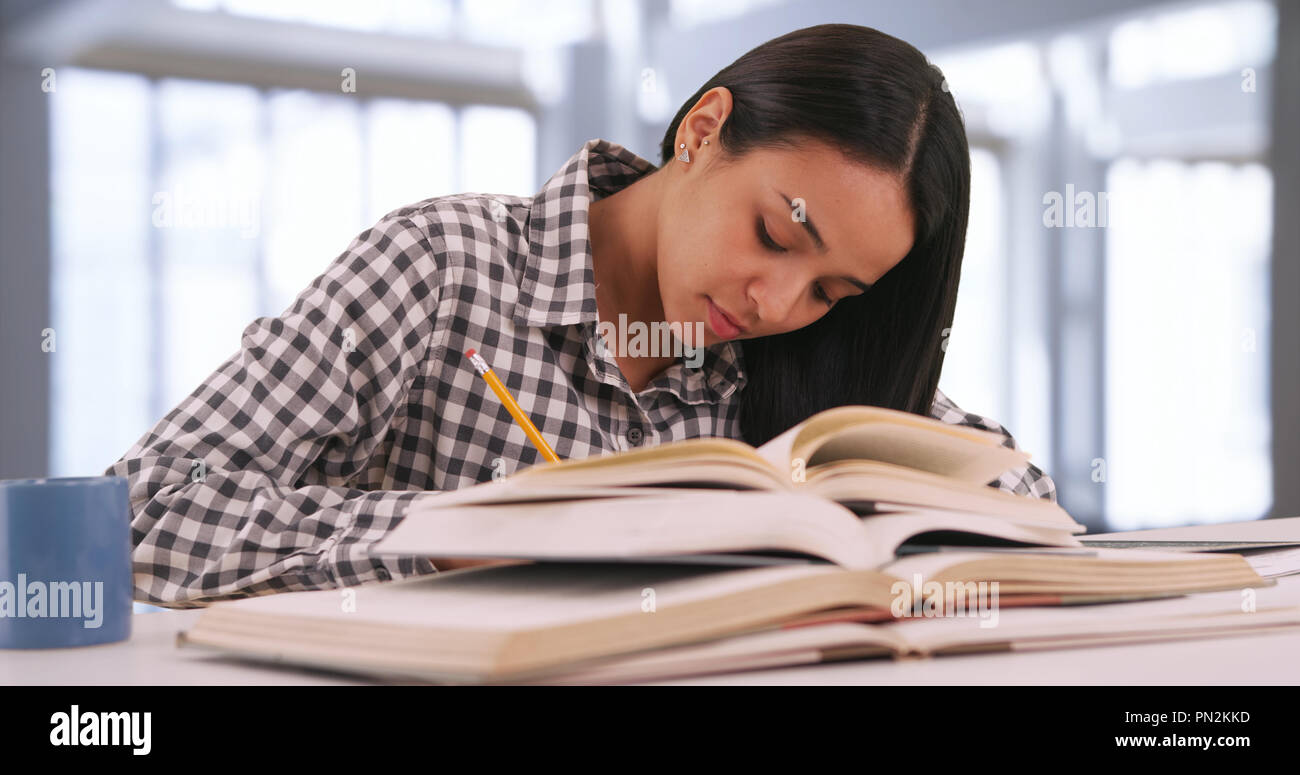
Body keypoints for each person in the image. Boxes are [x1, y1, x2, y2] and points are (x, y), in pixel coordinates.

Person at [106, 23, 1055, 609]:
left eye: (830, 292)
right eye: (775, 232)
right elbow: (140, 511)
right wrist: (457, 531)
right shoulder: (445, 269)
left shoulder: (804, 368)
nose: (776, 304)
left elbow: (1017, 496)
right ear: (702, 130)